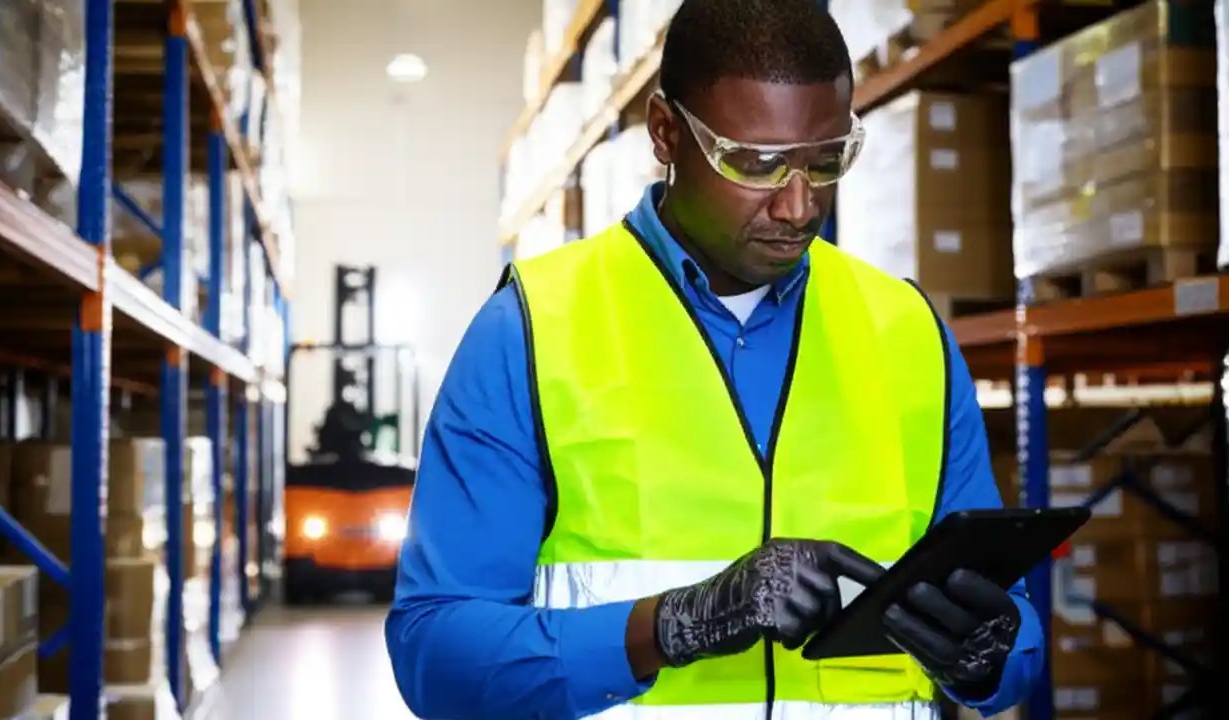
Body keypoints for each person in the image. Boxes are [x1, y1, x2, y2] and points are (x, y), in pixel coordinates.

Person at [386, 0, 1044, 717]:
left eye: (826, 161)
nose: (798, 206)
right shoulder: (532, 330)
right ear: (666, 133)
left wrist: (989, 656)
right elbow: (435, 654)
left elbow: (1011, 638)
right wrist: (673, 626)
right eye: (757, 165)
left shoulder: (908, 331)